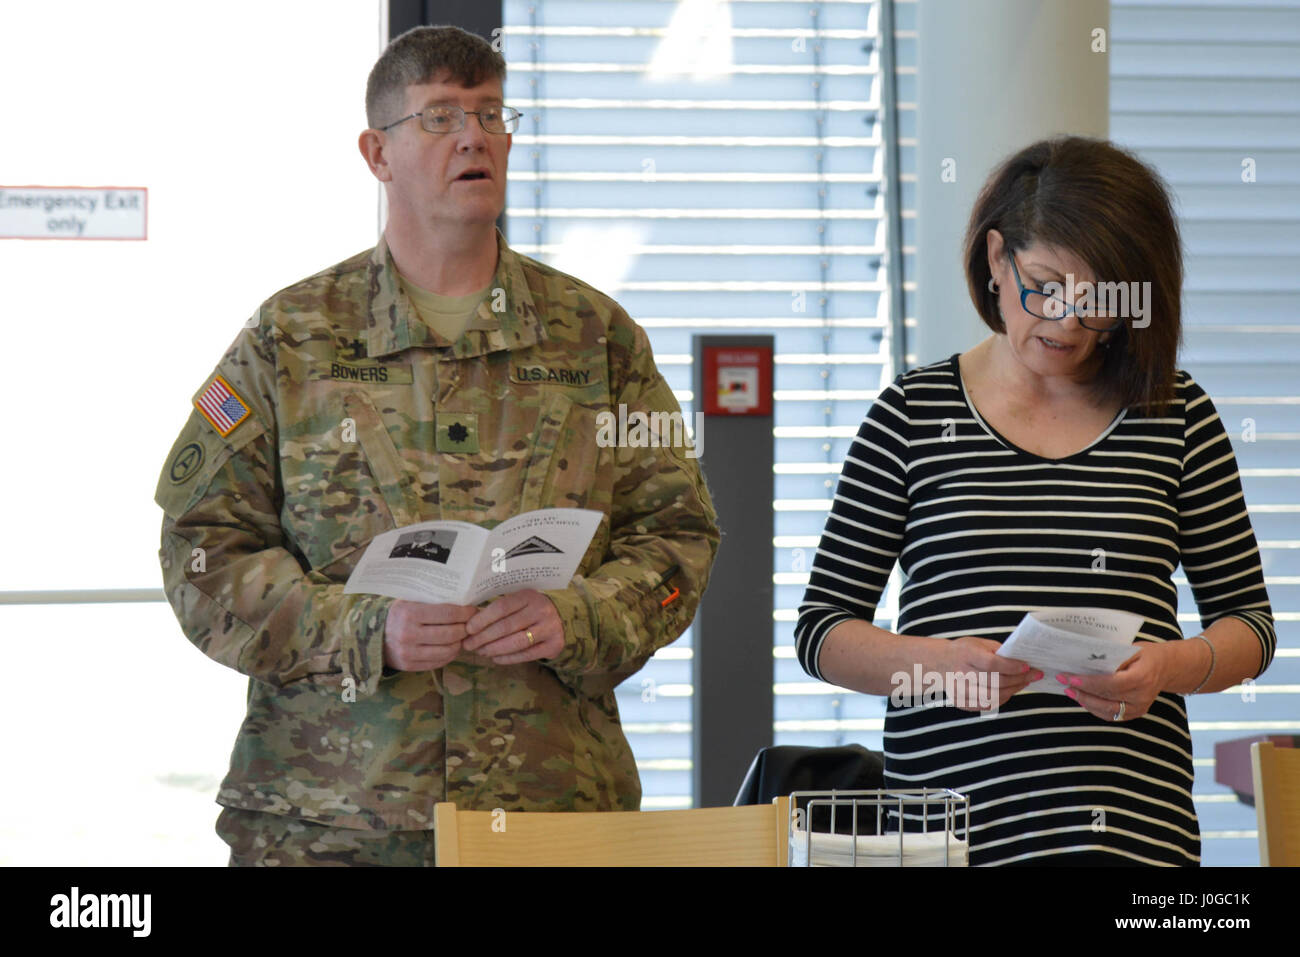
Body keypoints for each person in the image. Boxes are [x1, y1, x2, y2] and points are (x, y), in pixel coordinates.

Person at [154, 25, 719, 866]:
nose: (473, 136)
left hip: (549, 815)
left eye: (492, 114)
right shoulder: (290, 337)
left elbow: (680, 541)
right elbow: (203, 551)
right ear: (376, 153)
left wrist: (580, 614)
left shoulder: (598, 338)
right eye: (441, 116)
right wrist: (362, 630)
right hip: (331, 825)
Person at [795, 136, 1275, 866]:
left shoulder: (1175, 414)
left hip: (1132, 842)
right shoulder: (912, 412)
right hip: (946, 838)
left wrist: (1166, 668)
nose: (1066, 325)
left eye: (1098, 302)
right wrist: (939, 666)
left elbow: (1250, 627)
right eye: (1045, 286)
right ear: (996, 258)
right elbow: (822, 632)